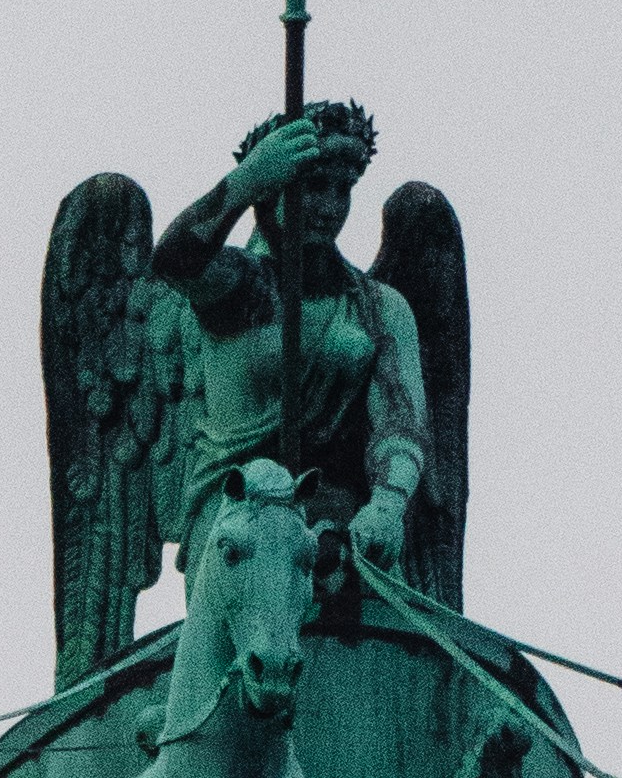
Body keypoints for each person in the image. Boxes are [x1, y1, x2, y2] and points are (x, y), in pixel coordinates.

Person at [151, 104, 431, 568]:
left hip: (341, 526)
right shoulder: (235, 288)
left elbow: (401, 424)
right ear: (272, 190)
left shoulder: (379, 307)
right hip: (236, 515)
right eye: (313, 186)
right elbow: (174, 260)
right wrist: (248, 179)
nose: (330, 206)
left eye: (343, 189)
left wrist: (387, 504)